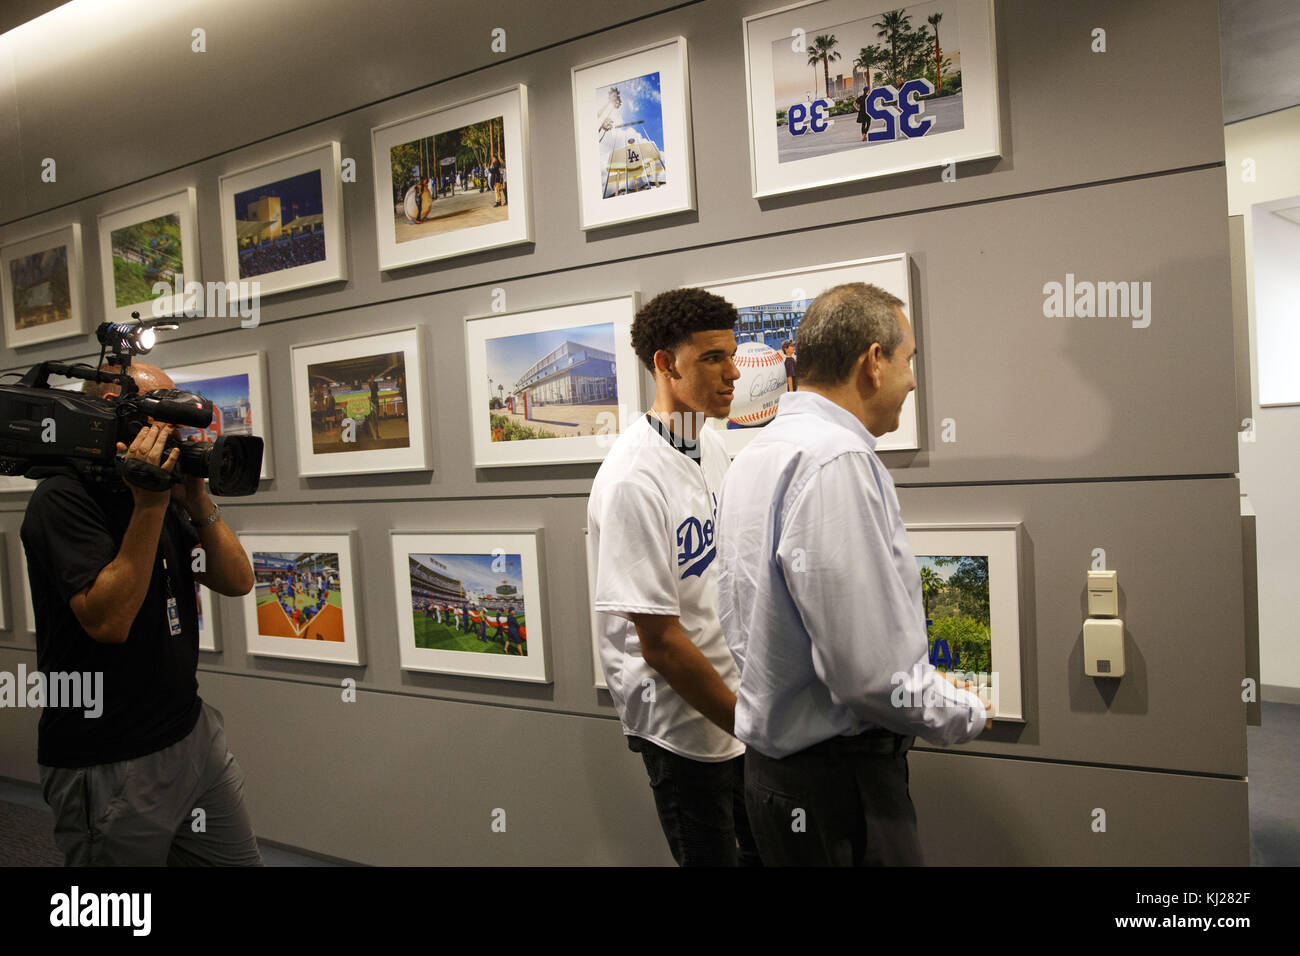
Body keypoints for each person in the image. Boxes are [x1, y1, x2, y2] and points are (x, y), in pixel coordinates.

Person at [715, 283, 991, 867]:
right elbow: (870, 676)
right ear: (872, 362)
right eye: (908, 359)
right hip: (839, 793)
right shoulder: (838, 460)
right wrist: (963, 711)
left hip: (773, 779)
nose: (913, 380)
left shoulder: (755, 456)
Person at [23, 361, 262, 866]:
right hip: (110, 755)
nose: (175, 429)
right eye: (161, 413)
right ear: (108, 413)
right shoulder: (62, 499)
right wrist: (149, 507)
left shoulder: (168, 492)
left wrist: (196, 500)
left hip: (192, 734)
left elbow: (237, 581)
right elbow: (108, 622)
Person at [586, 287, 760, 867]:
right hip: (684, 723)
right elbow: (659, 644)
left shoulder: (710, 445)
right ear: (666, 363)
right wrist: (753, 723)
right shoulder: (633, 479)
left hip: (734, 707)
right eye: (712, 357)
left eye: (731, 354)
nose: (732, 372)